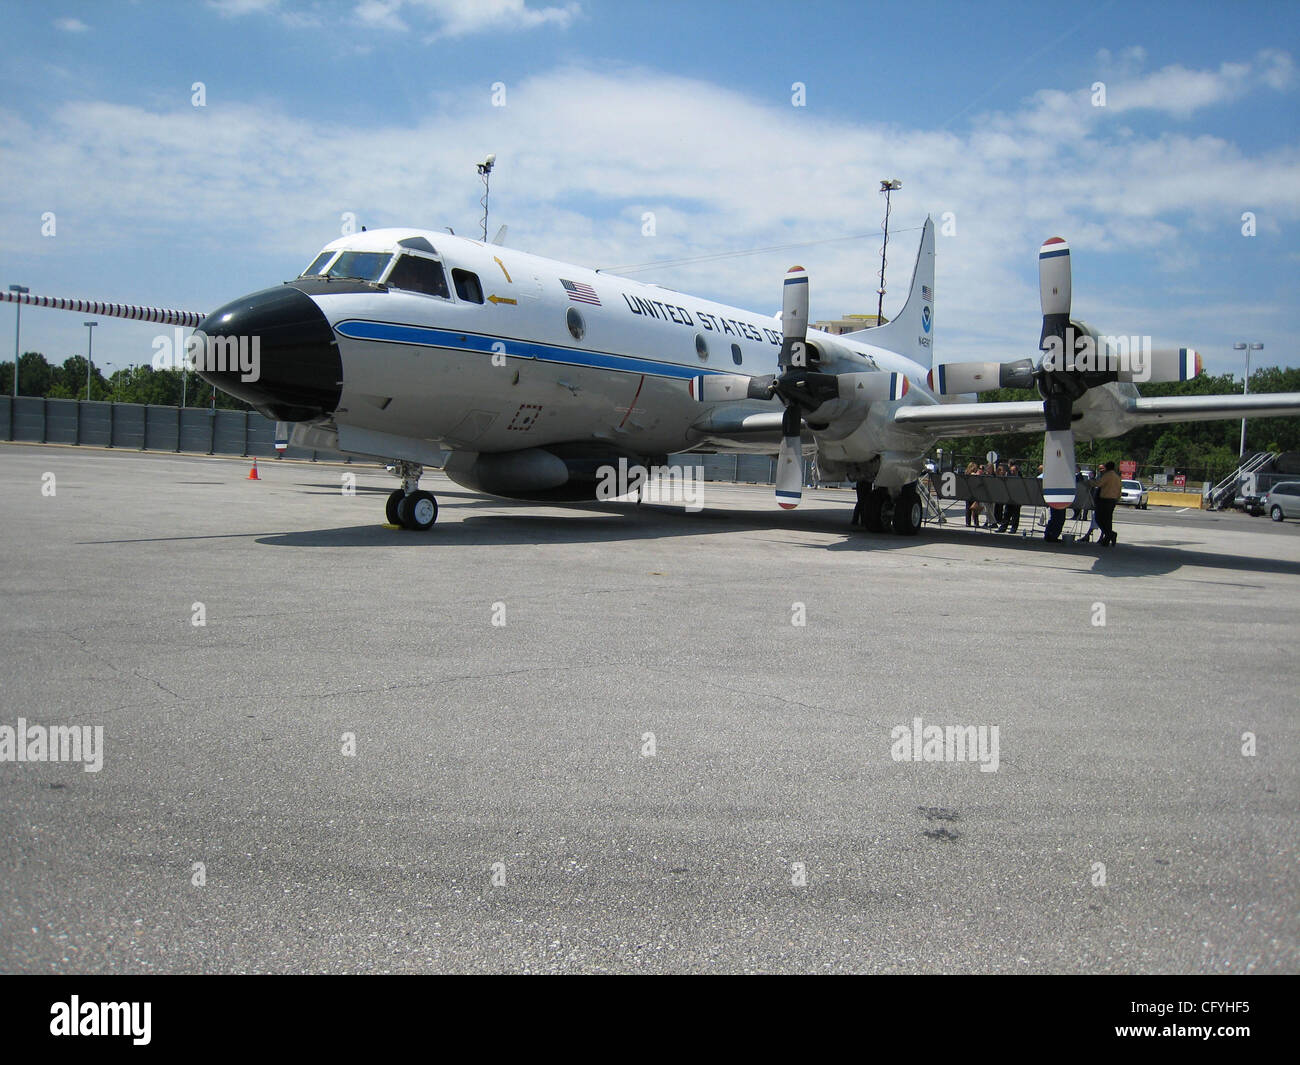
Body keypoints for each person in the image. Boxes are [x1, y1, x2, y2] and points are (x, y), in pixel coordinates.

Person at [1095, 461, 1123, 545]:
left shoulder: (1107, 475)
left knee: (1099, 518)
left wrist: (1089, 482)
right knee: (1108, 520)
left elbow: (1099, 483)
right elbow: (1119, 489)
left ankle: (1110, 534)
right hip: (1113, 500)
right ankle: (1107, 538)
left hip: (1105, 500)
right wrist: (1117, 498)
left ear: (1107, 468)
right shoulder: (1117, 477)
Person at [999, 462, 1022, 533]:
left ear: (1017, 471)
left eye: (1013, 471)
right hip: (1009, 498)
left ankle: (1014, 529)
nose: (1012, 472)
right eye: (1011, 470)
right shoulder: (1009, 476)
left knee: (1015, 514)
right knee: (1006, 513)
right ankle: (1003, 528)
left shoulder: (1020, 478)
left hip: (1017, 499)